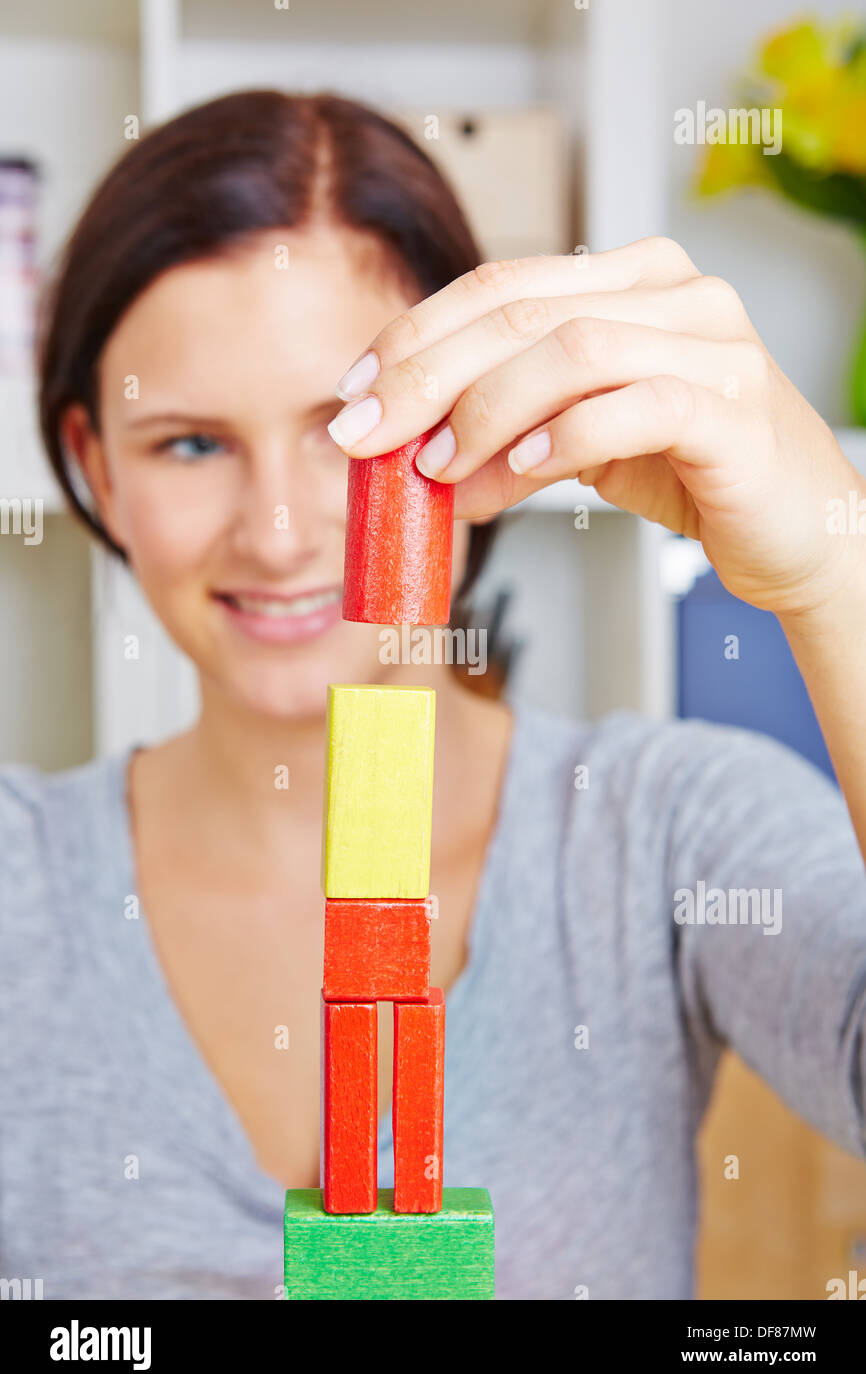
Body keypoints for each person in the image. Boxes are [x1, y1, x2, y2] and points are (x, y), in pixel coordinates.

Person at [2, 89, 865, 1302]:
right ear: (92, 462)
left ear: (478, 420)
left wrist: (840, 568)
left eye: (348, 435)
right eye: (190, 444)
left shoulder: (665, 825)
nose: (279, 532)